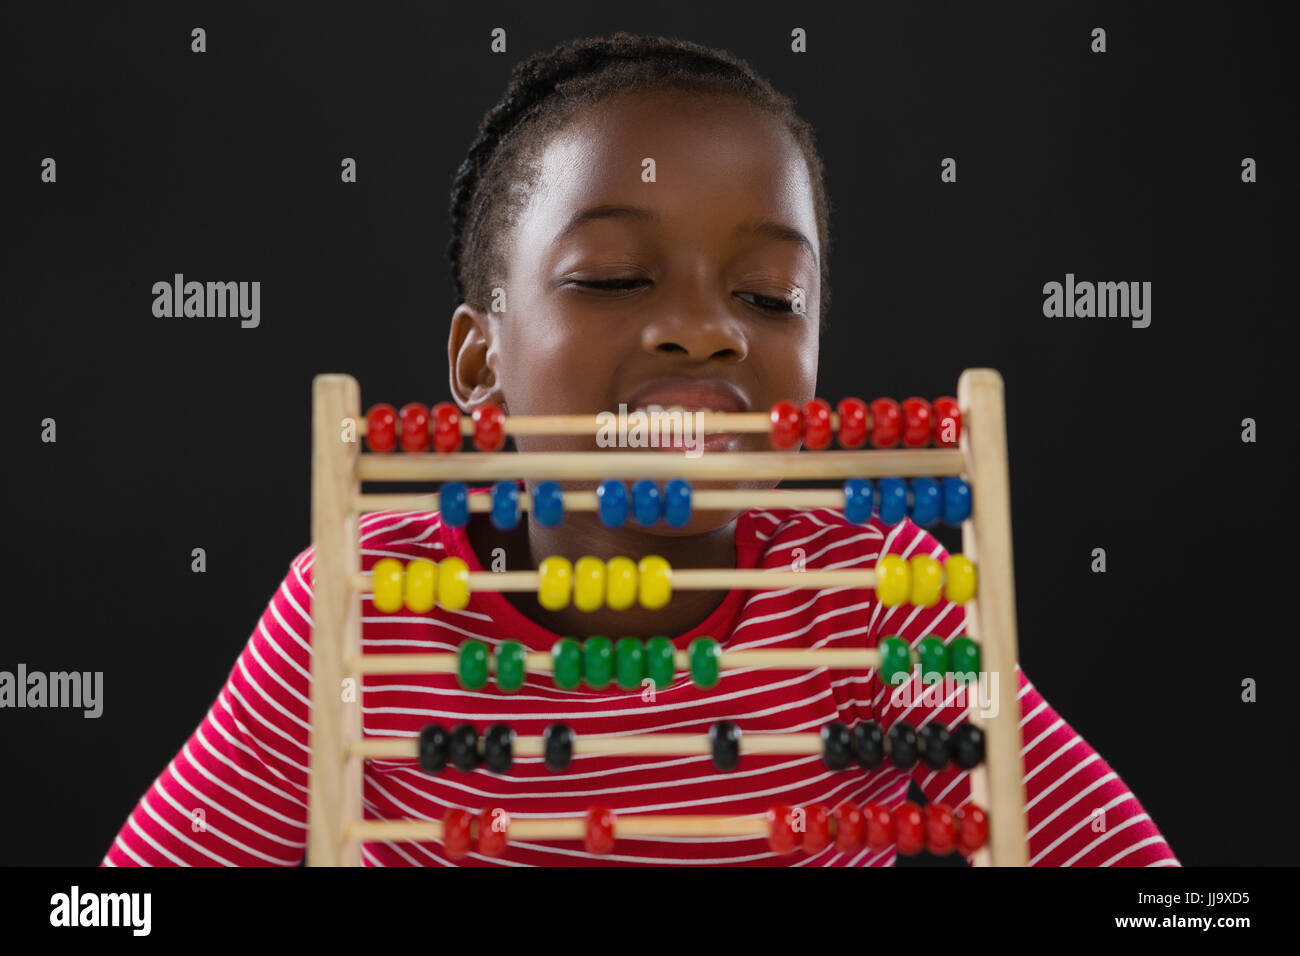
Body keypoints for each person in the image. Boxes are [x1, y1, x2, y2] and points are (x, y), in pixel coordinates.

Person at [101, 32, 1178, 867]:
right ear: (478, 363)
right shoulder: (353, 611)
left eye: (769, 295)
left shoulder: (883, 602)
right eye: (614, 276)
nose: (707, 328)